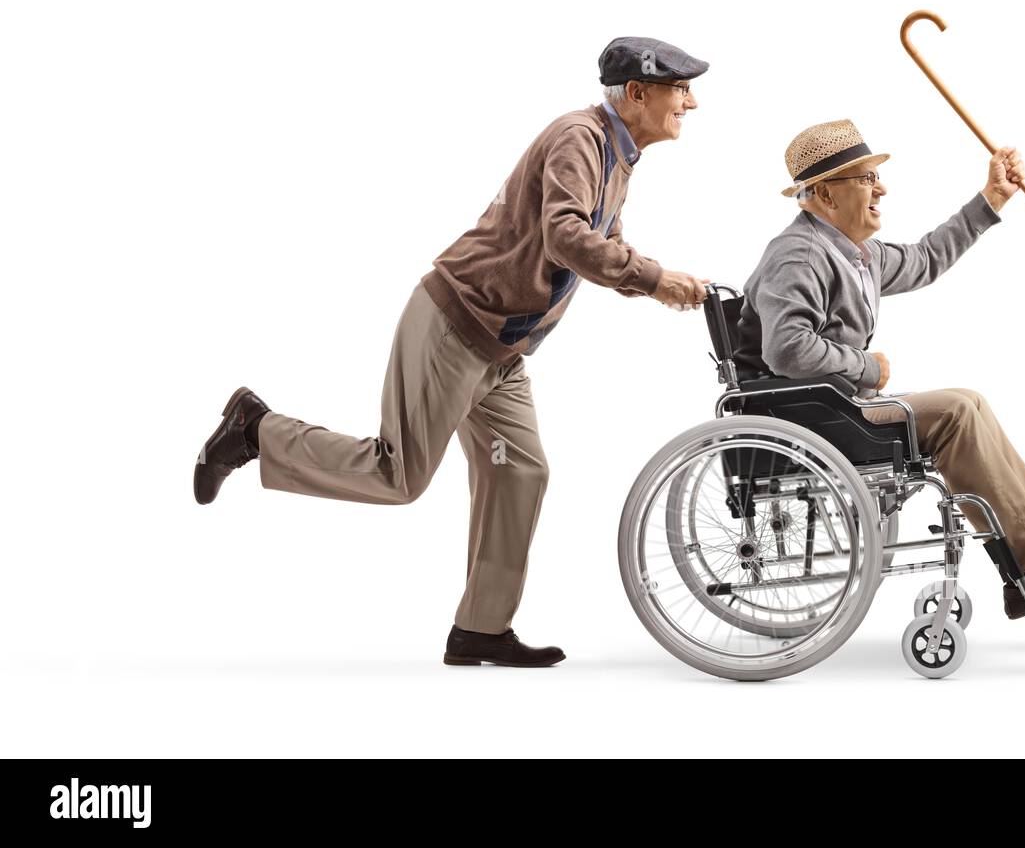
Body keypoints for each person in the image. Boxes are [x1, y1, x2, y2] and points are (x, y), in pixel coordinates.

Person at [193, 37, 711, 662]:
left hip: (502, 346)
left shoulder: (617, 156)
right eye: (681, 89)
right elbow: (567, 235)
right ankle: (255, 431)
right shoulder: (581, 137)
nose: (693, 101)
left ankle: (481, 630)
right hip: (455, 323)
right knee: (398, 474)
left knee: (521, 469)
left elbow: (597, 240)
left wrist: (653, 284)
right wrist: (655, 278)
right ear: (637, 92)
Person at [733, 119, 1025, 619]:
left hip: (836, 410)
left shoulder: (855, 254)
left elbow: (926, 258)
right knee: (959, 409)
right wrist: (866, 368)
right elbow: (786, 351)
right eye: (865, 178)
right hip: (807, 419)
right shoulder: (801, 255)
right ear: (826, 195)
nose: (881, 187)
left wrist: (992, 199)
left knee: (970, 402)